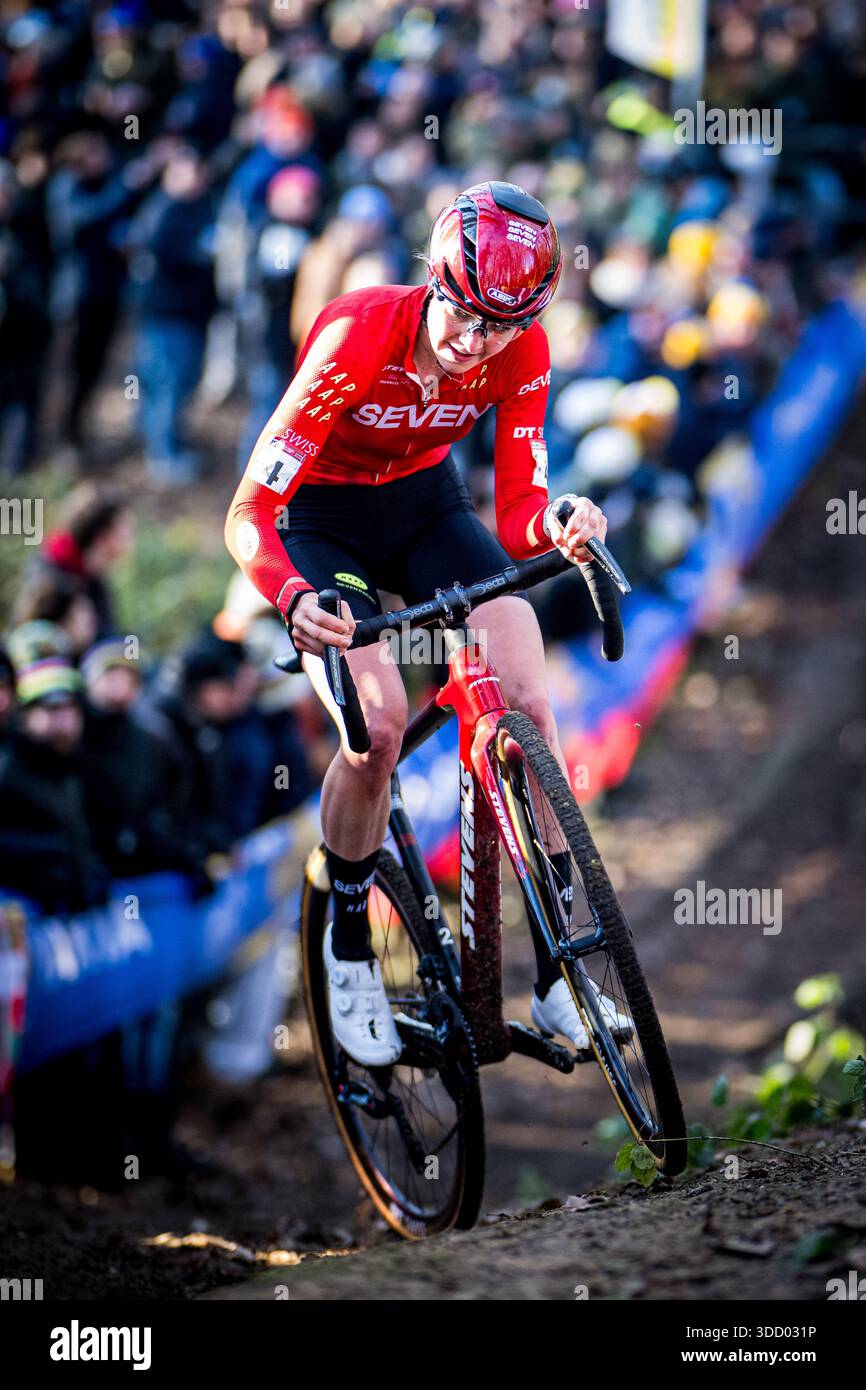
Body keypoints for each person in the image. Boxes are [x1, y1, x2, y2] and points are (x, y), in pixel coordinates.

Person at [225, 180, 628, 1065]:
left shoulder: (521, 351)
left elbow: (519, 506)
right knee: (376, 731)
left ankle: (563, 968)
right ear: (434, 278)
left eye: (499, 327)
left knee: (528, 688)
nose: (473, 342)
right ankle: (348, 944)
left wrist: (559, 519)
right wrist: (294, 597)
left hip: (423, 508)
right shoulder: (355, 337)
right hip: (320, 520)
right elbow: (249, 512)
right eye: (462, 313)